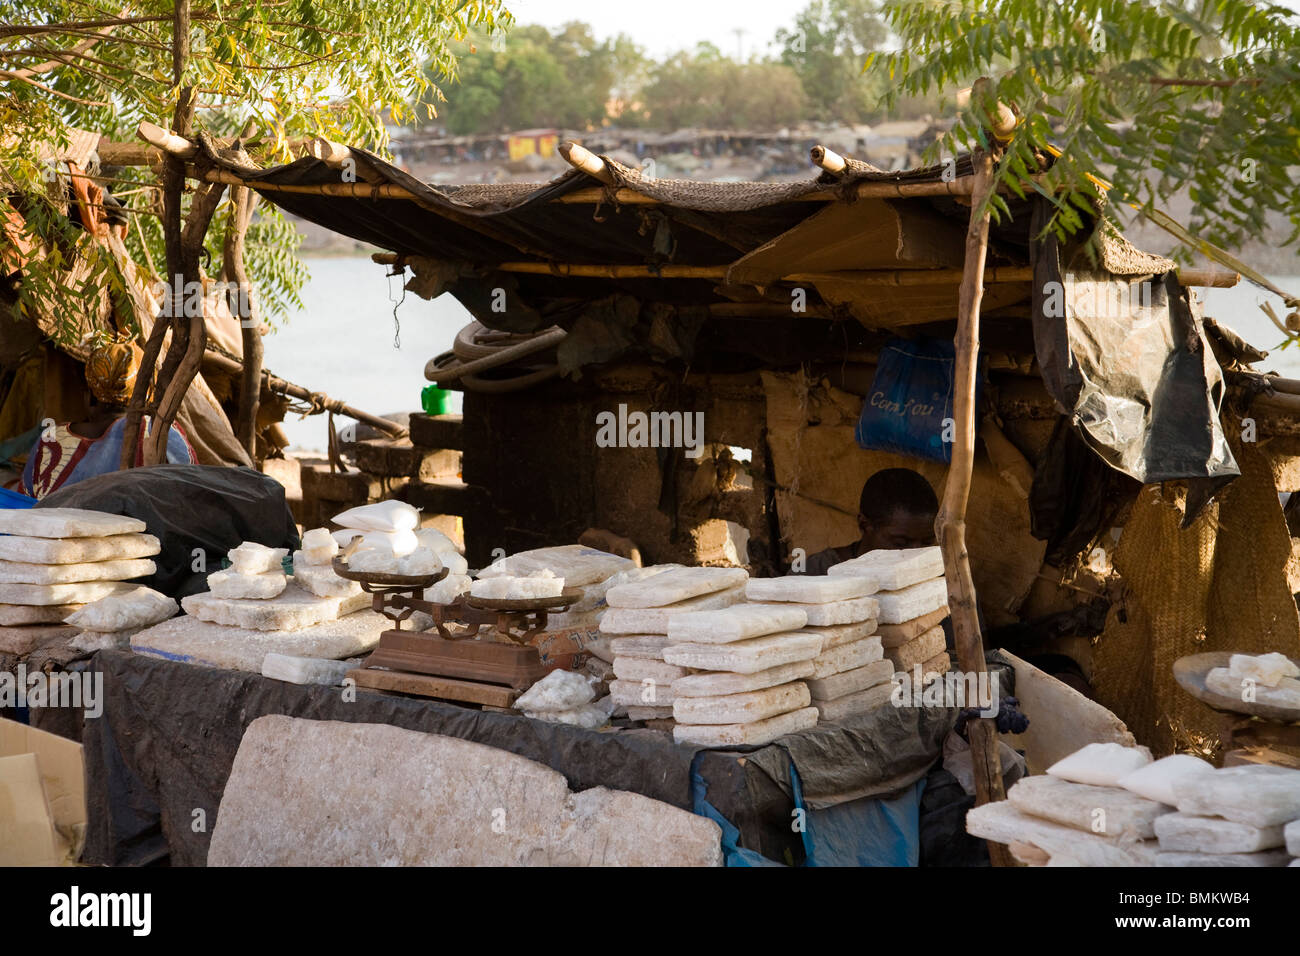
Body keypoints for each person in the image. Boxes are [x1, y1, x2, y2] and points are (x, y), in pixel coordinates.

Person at [19, 339, 196, 499]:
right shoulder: (160, 432)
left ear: (89, 397)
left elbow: (26, 501)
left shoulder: (51, 438)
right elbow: (192, 490)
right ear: (148, 393)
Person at [799, 468, 938, 576]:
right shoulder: (815, 574)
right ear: (864, 525)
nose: (915, 555)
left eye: (927, 543)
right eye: (900, 543)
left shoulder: (941, 572)